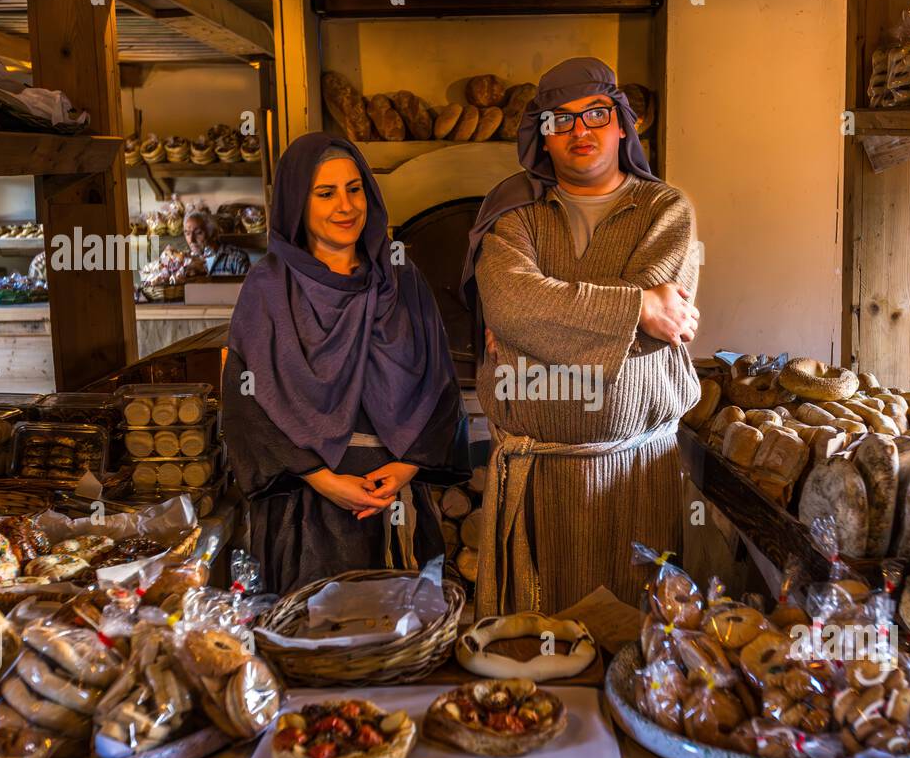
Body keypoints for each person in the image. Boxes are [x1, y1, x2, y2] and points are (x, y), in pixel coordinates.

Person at [461, 56, 701, 615]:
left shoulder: (666, 211)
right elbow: (511, 302)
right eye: (559, 121)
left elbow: (659, 332)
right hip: (536, 484)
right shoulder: (515, 212)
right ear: (543, 139)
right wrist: (635, 306)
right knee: (528, 666)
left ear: (621, 123)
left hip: (638, 478)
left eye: (594, 114)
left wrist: (534, 331)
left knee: (639, 661)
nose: (578, 132)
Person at [224, 134, 469, 597]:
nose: (346, 206)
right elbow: (246, 403)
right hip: (307, 508)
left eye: (354, 189)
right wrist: (325, 481)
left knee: (403, 641)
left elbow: (439, 383)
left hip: (395, 498)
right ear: (298, 201)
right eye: (326, 193)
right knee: (316, 639)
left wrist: (405, 471)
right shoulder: (270, 287)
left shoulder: (401, 276)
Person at [184, 209, 251, 275]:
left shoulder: (237, 258)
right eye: (187, 233)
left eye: (198, 233)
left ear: (213, 234)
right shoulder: (186, 261)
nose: (191, 240)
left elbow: (250, 285)